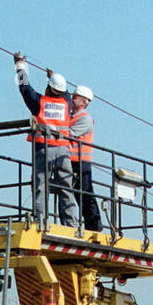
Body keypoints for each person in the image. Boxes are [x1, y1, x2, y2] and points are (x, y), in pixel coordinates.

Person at [13, 52, 80, 229]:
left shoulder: (39, 102)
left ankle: (41, 222)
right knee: (66, 188)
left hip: (44, 149)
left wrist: (20, 65)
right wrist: (53, 76)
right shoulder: (67, 103)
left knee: (41, 186)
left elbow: (24, 87)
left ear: (49, 88)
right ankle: (71, 225)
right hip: (63, 152)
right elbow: (65, 92)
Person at [68, 85, 101, 232]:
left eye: (75, 97)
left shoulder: (85, 119)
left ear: (83, 102)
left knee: (85, 195)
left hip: (81, 163)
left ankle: (94, 227)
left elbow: (68, 134)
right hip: (71, 162)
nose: (72, 98)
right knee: (70, 192)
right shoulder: (71, 116)